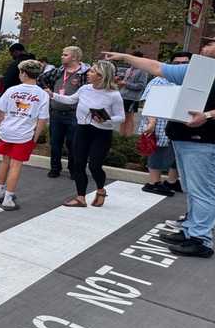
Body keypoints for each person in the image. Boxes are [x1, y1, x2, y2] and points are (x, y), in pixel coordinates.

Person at [105, 32, 215, 258]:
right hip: (189, 140)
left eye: (210, 43)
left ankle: (201, 240)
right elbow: (157, 68)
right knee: (193, 189)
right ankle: (190, 231)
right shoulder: (202, 71)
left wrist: (207, 115)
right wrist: (125, 57)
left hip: (210, 143)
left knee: (203, 190)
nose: (204, 45)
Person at [49, 60, 124, 208]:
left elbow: (121, 117)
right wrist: (52, 95)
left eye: (92, 71)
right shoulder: (85, 89)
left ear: (101, 75)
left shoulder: (114, 95)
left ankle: (101, 190)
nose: (88, 73)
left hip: (102, 133)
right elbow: (71, 100)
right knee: (78, 164)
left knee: (95, 165)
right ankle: (80, 197)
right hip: (82, 130)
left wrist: (106, 120)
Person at [0, 59, 49, 211]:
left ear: (24, 73)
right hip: (24, 134)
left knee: (5, 161)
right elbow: (42, 119)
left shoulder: (12, 90)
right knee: (16, 165)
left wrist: (1, 125)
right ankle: (8, 199)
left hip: (6, 131)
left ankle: (0, 192)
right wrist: (35, 137)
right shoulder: (42, 94)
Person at [139, 51, 192, 196]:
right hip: (160, 123)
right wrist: (152, 123)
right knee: (158, 152)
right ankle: (153, 183)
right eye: (176, 63)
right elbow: (149, 103)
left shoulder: (192, 82)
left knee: (177, 152)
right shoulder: (160, 80)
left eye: (184, 63)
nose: (180, 66)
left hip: (183, 123)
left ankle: (172, 181)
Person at [39, 46, 89, 179]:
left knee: (73, 144)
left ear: (74, 57)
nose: (62, 56)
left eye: (65, 54)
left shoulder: (85, 73)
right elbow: (41, 79)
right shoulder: (58, 72)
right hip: (56, 113)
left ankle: (74, 170)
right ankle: (55, 168)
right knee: (55, 143)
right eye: (62, 54)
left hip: (74, 114)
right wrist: (47, 89)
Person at [119, 50, 151, 136]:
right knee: (122, 118)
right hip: (123, 96)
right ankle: (121, 137)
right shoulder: (129, 70)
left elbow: (141, 85)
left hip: (132, 98)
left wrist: (126, 83)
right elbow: (125, 82)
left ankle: (128, 138)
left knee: (129, 118)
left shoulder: (142, 70)